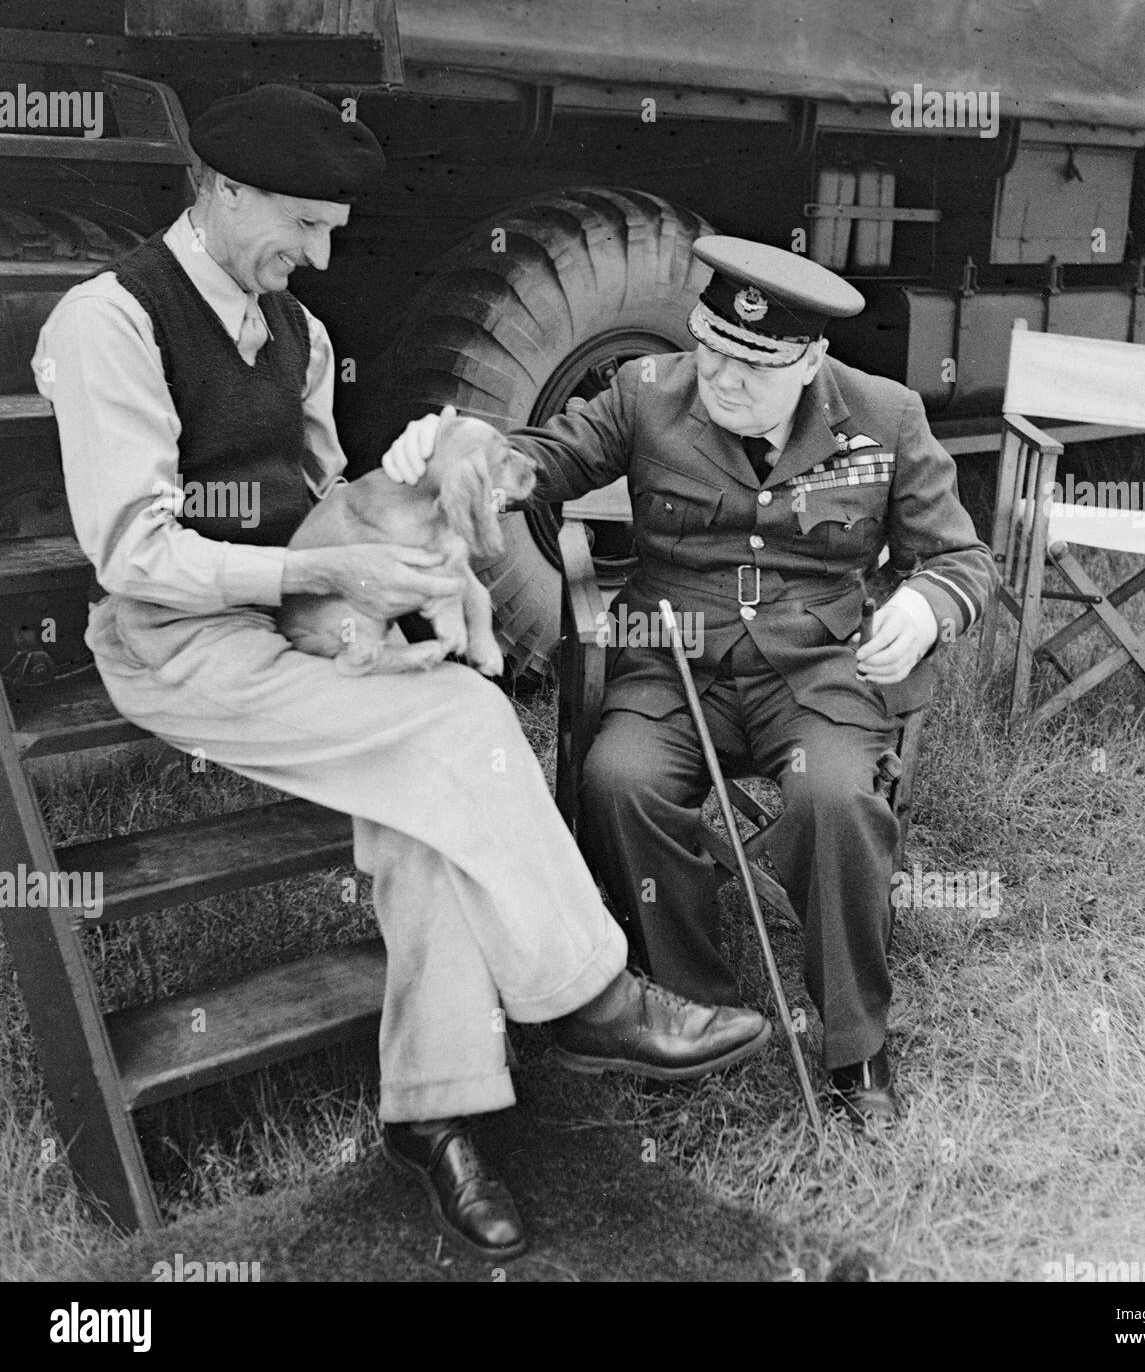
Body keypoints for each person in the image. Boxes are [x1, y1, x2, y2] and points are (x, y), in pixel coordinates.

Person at [31, 86, 769, 1263]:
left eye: (331, 230)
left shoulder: (302, 333)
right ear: (219, 192)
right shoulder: (109, 319)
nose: (319, 255)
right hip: (177, 647)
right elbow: (136, 551)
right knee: (455, 725)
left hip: (306, 621)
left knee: (428, 809)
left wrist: (411, 495)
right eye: (303, 225)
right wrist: (316, 585)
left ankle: (440, 1116)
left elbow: (322, 500)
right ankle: (591, 997)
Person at [384, 236, 998, 1127]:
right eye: (710, 346)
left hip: (814, 674)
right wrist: (454, 447)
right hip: (672, 663)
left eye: (750, 363)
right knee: (618, 780)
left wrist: (927, 605)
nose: (720, 376)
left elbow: (963, 557)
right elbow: (541, 460)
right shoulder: (647, 390)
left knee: (833, 799)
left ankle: (857, 1048)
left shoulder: (886, 417)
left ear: (811, 360)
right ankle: (694, 1006)